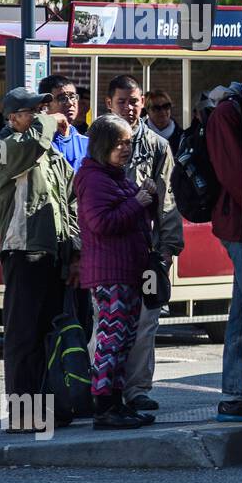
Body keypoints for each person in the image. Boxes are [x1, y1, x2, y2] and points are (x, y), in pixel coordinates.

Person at [0, 87, 81, 432]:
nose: (43, 113)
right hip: (23, 252)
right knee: (23, 337)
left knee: (50, 336)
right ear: (13, 117)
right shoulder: (4, 145)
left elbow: (70, 203)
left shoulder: (51, 154)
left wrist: (74, 252)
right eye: (34, 110)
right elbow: (28, 147)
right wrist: (52, 118)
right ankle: (23, 413)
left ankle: (54, 406)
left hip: (54, 254)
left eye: (44, 106)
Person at [106, 75, 184, 413]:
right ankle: (105, 390)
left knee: (145, 322)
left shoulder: (156, 146)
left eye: (135, 101)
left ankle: (137, 389)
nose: (129, 107)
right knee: (107, 323)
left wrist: (168, 248)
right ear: (109, 103)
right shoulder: (97, 142)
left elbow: (168, 198)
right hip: (108, 249)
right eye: (122, 101)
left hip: (147, 250)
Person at [74, 114, 156, 429]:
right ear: (103, 145)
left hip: (127, 271)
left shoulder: (115, 175)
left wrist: (147, 198)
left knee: (124, 340)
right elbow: (102, 223)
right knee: (111, 339)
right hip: (110, 274)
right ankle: (105, 407)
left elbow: (133, 214)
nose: (126, 148)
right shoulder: (94, 178)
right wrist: (138, 201)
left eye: (128, 143)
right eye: (120, 143)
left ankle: (117, 403)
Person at [206, 81, 242, 420]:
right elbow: (235, 175)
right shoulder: (229, 111)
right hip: (241, 225)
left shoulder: (241, 107)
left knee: (241, 311)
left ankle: (235, 393)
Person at [40, 73, 89, 173]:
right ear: (45, 104)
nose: (70, 103)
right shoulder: (36, 140)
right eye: (62, 98)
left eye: (73, 97)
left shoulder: (87, 143)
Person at [143, 89, 183, 155]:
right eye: (156, 108)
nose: (162, 111)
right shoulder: (140, 136)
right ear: (147, 111)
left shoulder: (183, 137)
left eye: (166, 106)